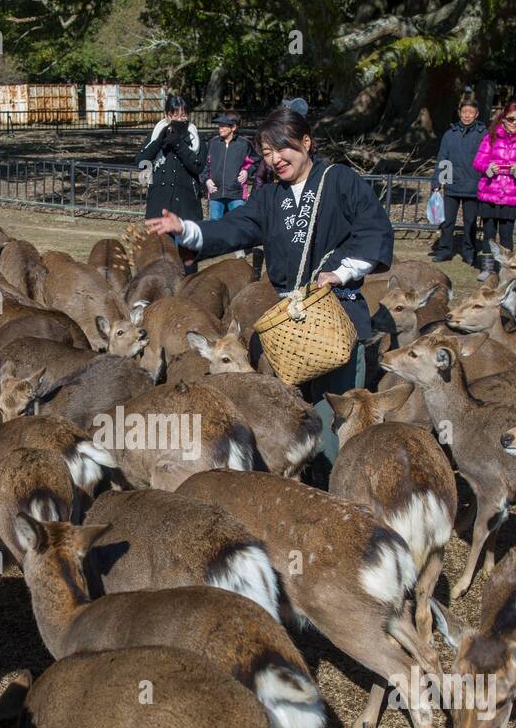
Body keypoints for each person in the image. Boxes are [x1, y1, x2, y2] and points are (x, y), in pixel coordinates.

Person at [145, 103, 393, 468]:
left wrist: (339, 273)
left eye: (283, 148)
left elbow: (374, 229)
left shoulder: (340, 181)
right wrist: (188, 229)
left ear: (306, 142)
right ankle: (303, 484)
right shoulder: (268, 198)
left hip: (336, 315)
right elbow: (234, 227)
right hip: (291, 327)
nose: (276, 158)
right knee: (296, 410)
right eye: (267, 152)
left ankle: (340, 484)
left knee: (338, 409)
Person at [137, 94, 206, 270]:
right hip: (159, 204)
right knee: (158, 257)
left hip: (186, 206)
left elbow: (197, 166)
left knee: (187, 260)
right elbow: (141, 163)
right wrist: (159, 141)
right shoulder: (155, 135)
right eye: (175, 115)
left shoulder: (197, 139)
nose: (179, 119)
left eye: (183, 115)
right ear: (167, 114)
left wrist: (178, 144)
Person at [473, 99, 516, 277]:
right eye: (511, 119)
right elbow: (478, 161)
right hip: (490, 191)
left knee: (506, 234)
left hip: (511, 194)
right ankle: (487, 268)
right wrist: (487, 167)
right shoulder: (491, 137)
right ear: (503, 118)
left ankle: (507, 269)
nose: (514, 123)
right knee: (489, 233)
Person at [429, 97, 487, 265]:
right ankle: (445, 250)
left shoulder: (483, 134)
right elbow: (443, 159)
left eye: (471, 112)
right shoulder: (450, 134)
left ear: (476, 114)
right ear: (459, 113)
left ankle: (469, 252)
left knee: (470, 222)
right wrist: (436, 183)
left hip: (473, 185)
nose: (467, 115)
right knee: (447, 221)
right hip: (451, 184)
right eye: (464, 112)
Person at [202, 112, 256, 217]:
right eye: (219, 125)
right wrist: (207, 180)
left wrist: (247, 171)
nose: (220, 128)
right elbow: (205, 165)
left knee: (237, 225)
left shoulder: (244, 144)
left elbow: (256, 162)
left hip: (236, 193)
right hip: (215, 193)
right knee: (215, 225)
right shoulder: (213, 143)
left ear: (233, 127)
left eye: (223, 125)